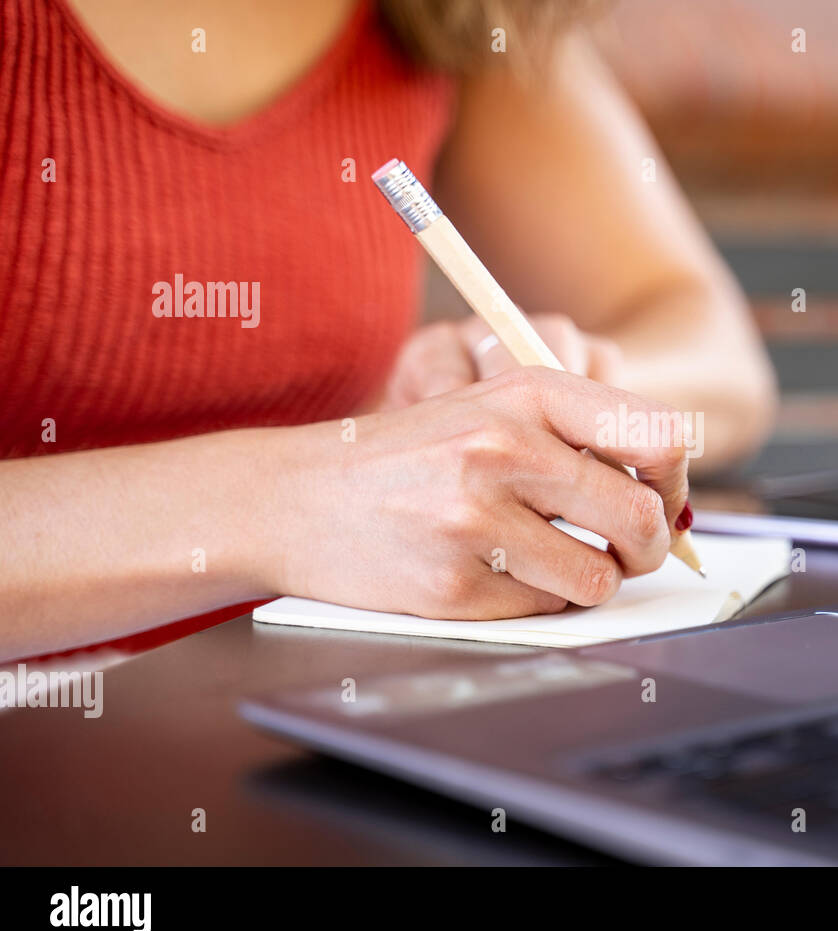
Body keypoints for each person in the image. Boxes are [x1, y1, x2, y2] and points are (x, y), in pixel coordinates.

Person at [0, 0, 777, 659]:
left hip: (306, 729)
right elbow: (316, 492)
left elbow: (721, 356)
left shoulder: (462, 16)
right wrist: (294, 498)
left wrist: (561, 394)